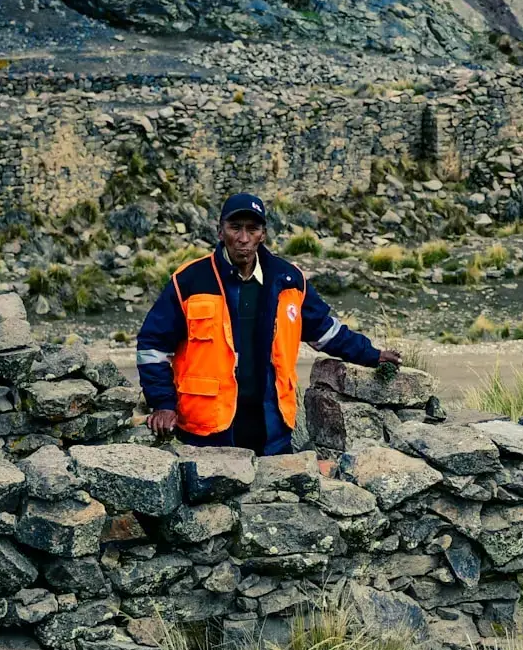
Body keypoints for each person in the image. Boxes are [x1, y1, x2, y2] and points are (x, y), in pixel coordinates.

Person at [135, 193, 401, 454]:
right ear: (220, 232)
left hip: (271, 429)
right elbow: (153, 345)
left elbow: (325, 332)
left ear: (263, 234)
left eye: (252, 229)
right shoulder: (190, 280)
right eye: (235, 228)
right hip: (207, 431)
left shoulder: (288, 279)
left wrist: (372, 354)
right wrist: (163, 403)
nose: (243, 238)